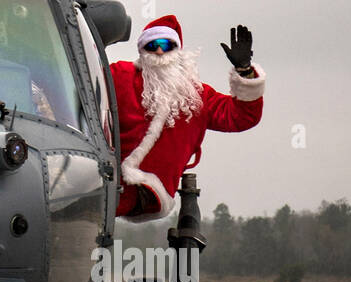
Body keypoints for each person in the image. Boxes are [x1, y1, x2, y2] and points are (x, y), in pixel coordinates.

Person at [110, 14, 264, 221]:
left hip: (151, 191)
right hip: (107, 179)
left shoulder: (197, 95)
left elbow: (241, 117)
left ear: (177, 50)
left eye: (166, 45)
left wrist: (245, 72)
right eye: (152, 44)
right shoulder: (120, 75)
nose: (158, 50)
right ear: (141, 50)